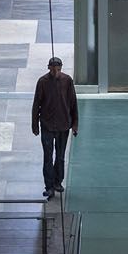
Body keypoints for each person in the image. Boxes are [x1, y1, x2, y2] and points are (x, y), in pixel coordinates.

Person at [31, 56, 79, 200]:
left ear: (61, 68)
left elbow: (73, 103)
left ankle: (58, 182)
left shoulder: (67, 81)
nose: (55, 72)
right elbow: (36, 104)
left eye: (58, 69)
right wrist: (35, 124)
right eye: (52, 69)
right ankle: (49, 186)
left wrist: (75, 125)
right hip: (47, 125)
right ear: (48, 68)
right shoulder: (42, 82)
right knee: (47, 156)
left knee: (60, 156)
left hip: (63, 125)